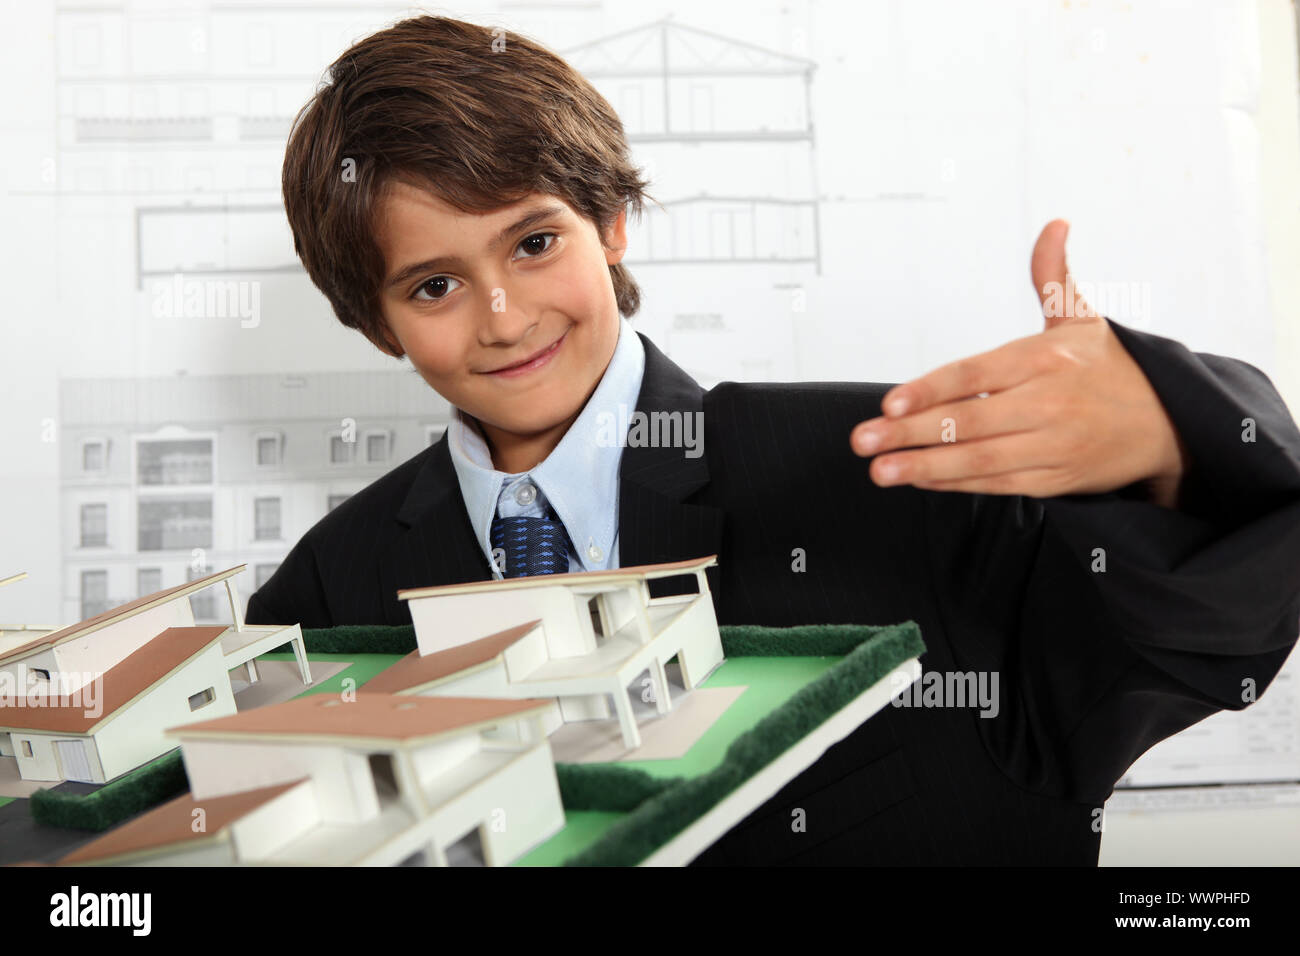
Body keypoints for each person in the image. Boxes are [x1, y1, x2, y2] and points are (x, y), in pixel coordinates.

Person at [247, 14, 1300, 864]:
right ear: (375, 320)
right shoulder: (323, 600)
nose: (504, 315)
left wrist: (1176, 439)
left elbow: (1220, 628)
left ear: (612, 223)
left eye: (533, 242)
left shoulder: (895, 475)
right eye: (434, 284)